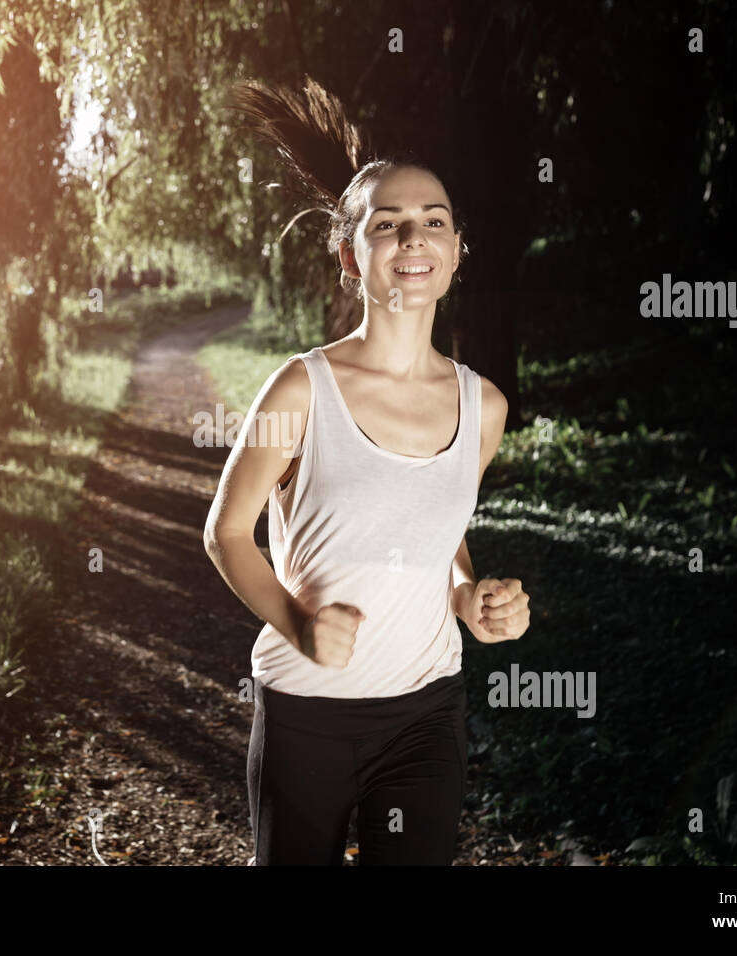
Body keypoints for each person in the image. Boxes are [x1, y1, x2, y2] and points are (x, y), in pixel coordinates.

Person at [203, 77, 532, 866]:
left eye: (433, 223)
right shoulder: (301, 388)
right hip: (306, 715)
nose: (413, 238)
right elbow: (225, 534)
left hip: (427, 712)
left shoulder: (484, 406)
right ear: (352, 257)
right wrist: (298, 626)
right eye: (389, 226)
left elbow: (440, 532)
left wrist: (467, 596)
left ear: (456, 252)